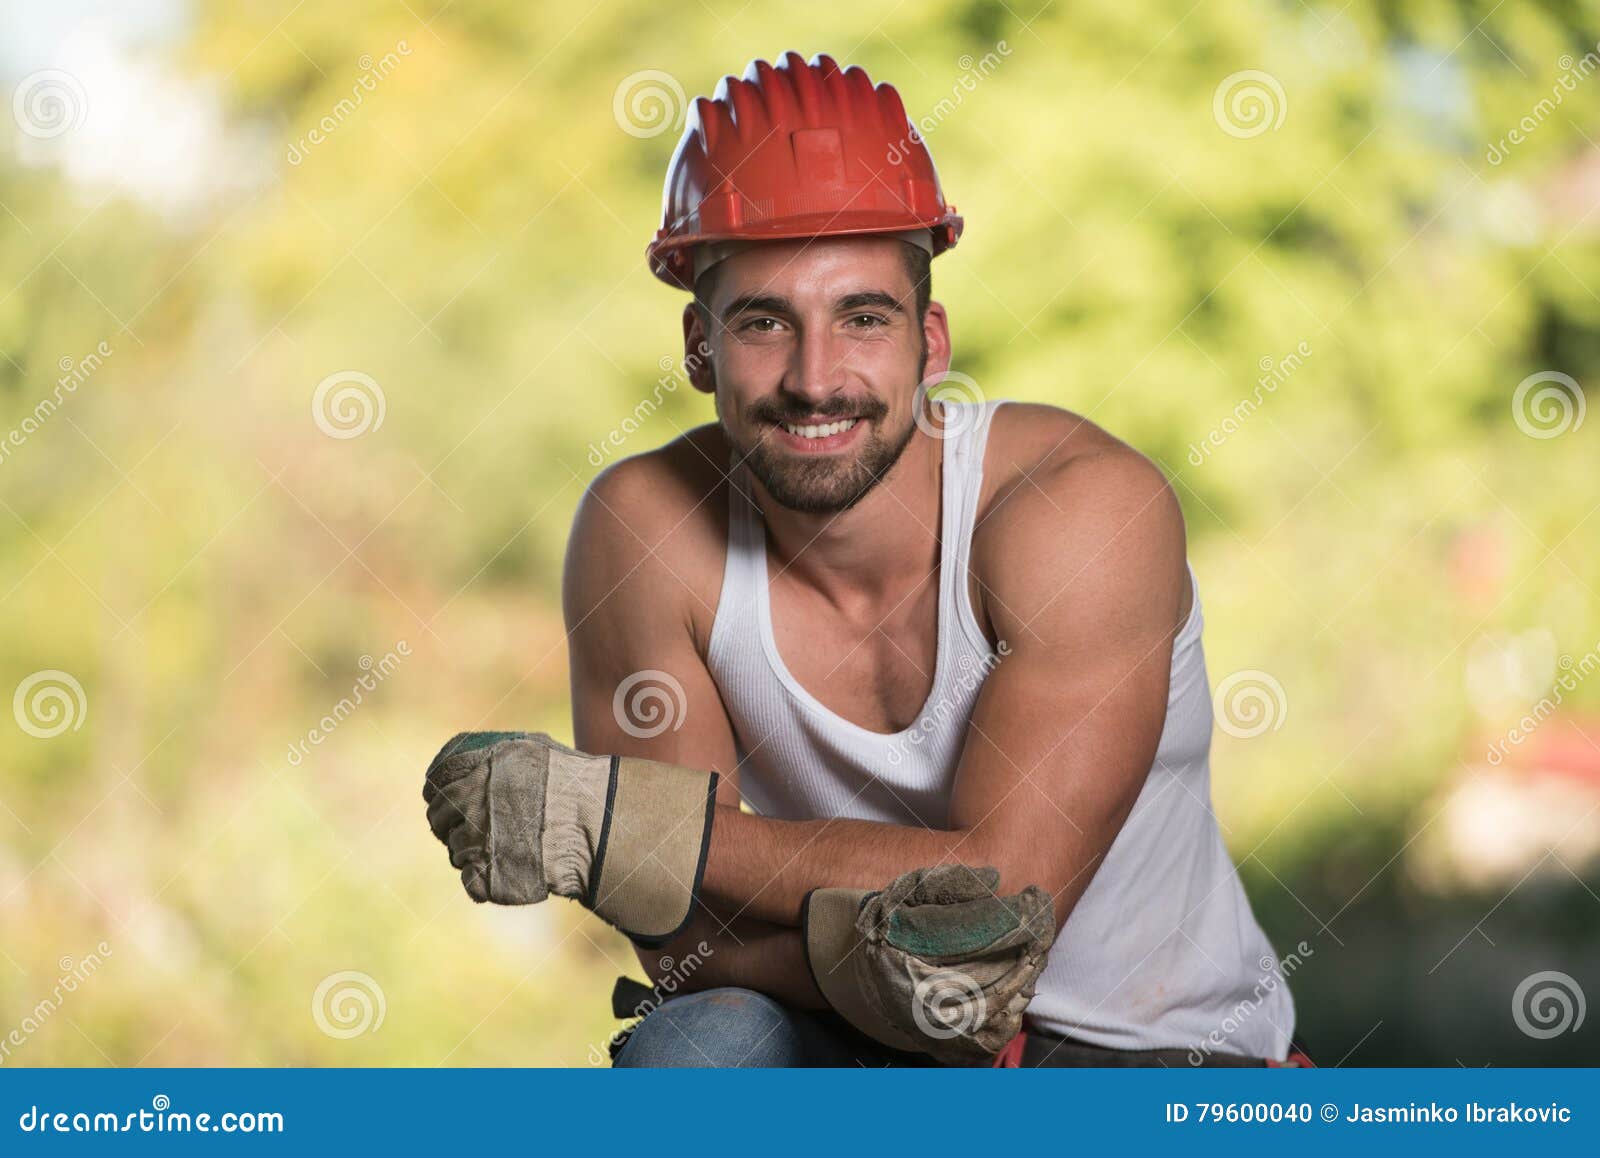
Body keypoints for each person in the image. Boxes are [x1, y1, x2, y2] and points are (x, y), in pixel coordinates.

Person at [423, 51, 1302, 1068]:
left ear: (931, 341)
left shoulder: (1082, 510)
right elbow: (677, 937)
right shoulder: (646, 530)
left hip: (1152, 1054)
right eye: (763, 322)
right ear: (699, 346)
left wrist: (610, 821)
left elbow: (1000, 908)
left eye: (863, 318)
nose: (815, 378)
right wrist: (853, 969)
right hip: (854, 1037)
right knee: (697, 1055)